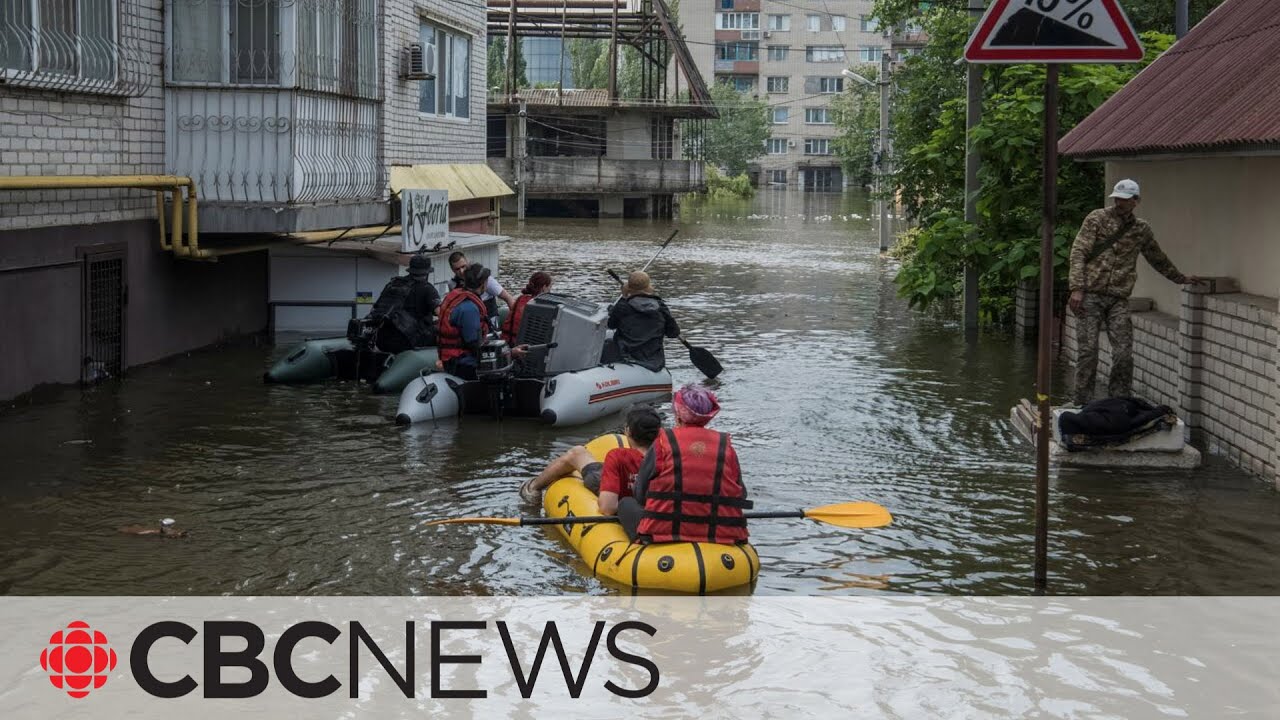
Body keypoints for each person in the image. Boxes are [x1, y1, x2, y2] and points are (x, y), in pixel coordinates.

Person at [1068, 179, 1203, 405]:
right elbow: (1078, 253)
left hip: (1118, 299)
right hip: (1090, 295)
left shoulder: (1141, 229)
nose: (1119, 203)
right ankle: (1082, 403)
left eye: (1125, 199)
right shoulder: (1097, 219)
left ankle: (1119, 402)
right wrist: (1077, 288)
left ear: (1136, 201)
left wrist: (1181, 278)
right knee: (1088, 352)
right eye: (1117, 199)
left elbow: (1157, 258)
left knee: (1123, 353)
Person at [616, 384, 750, 545]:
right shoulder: (725, 446)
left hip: (664, 533)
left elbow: (640, 494)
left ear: (678, 415)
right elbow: (741, 494)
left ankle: (639, 544)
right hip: (720, 534)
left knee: (626, 503)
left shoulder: (662, 442)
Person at [519, 404, 662, 504]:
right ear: (658, 433)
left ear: (628, 432)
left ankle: (533, 488)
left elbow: (608, 507)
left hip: (614, 493)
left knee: (577, 453)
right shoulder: (669, 454)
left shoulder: (618, 457)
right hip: (648, 498)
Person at [608, 271, 680, 372]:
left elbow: (611, 325)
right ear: (649, 287)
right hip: (654, 361)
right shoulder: (661, 307)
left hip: (626, 358)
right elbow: (673, 333)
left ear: (628, 288)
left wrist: (624, 296)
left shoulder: (622, 307)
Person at [366, 254, 439, 353]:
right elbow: (441, 313)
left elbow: (376, 307)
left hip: (382, 339)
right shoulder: (427, 288)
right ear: (427, 272)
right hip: (409, 341)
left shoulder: (393, 284)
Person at [436, 263, 491, 380]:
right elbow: (472, 343)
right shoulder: (469, 308)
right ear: (482, 283)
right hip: (461, 362)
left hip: (449, 358)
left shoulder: (456, 295)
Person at [448, 250, 515, 321]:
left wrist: (514, 321)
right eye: (457, 269)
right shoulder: (452, 284)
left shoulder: (486, 279)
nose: (461, 271)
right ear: (452, 269)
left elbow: (508, 298)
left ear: (467, 263)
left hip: (490, 318)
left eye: (463, 266)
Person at [502, 271, 552, 345]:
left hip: (507, 341)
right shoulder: (540, 305)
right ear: (544, 288)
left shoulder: (521, 298)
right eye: (549, 288)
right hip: (520, 346)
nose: (550, 291)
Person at [118, 518, 189, 539]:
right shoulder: (165, 529)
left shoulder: (163, 527)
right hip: (132, 532)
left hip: (135, 529)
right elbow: (168, 532)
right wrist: (179, 534)